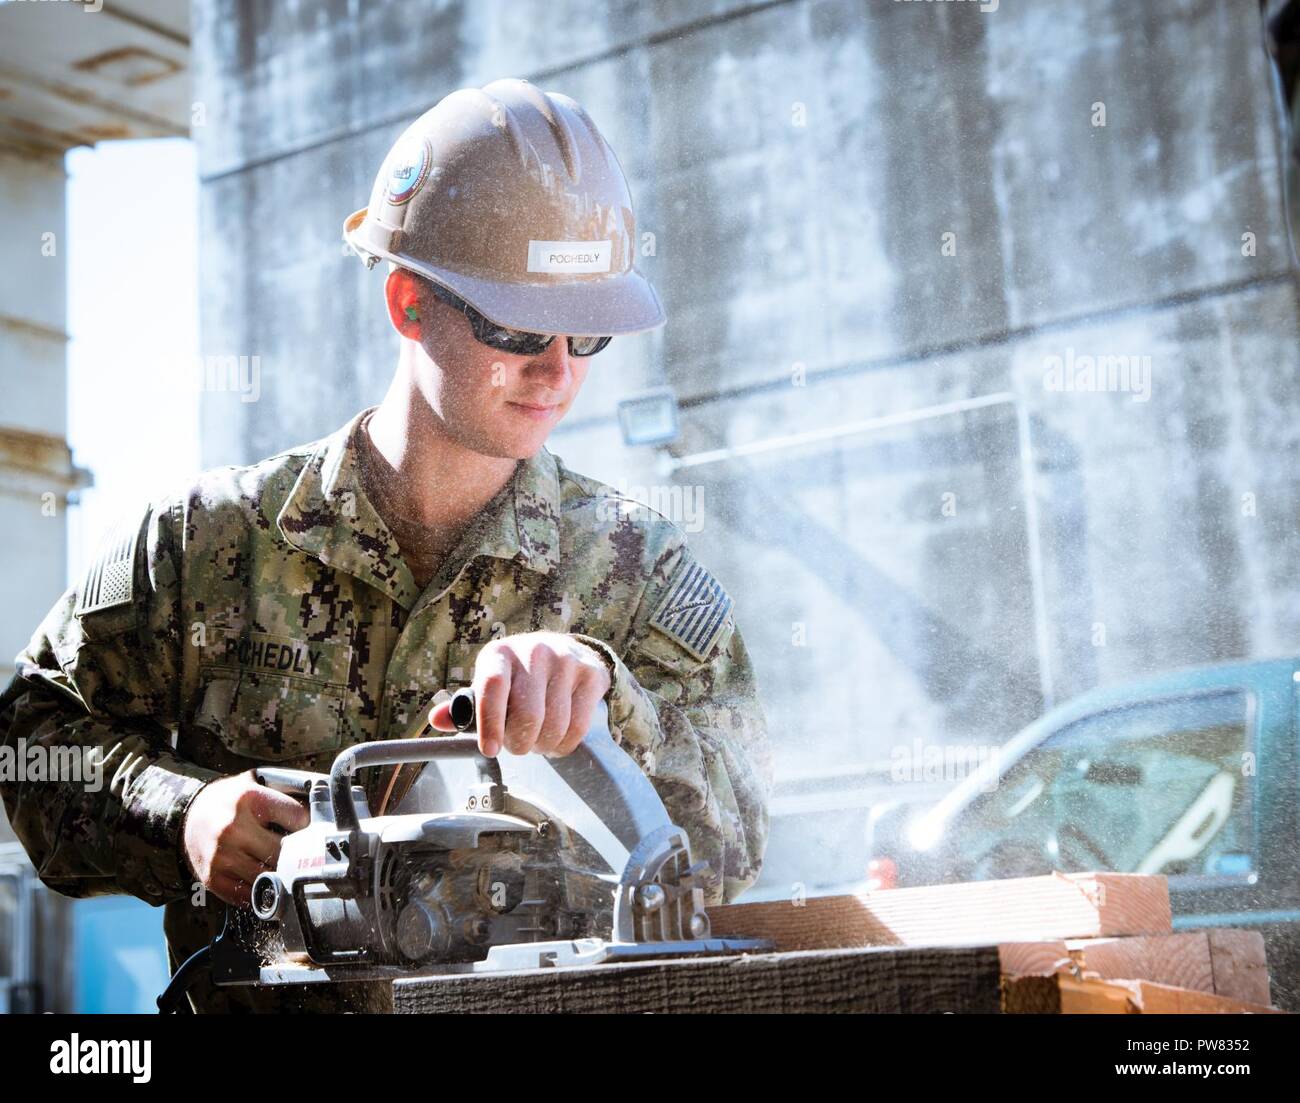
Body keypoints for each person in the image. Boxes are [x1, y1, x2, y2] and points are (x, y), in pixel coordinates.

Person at [0, 78, 772, 1013]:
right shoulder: (209, 543)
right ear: (409, 305)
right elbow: (30, 739)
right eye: (519, 327)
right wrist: (185, 814)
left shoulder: (636, 572)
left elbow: (734, 840)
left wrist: (606, 709)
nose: (558, 370)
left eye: (587, 333)